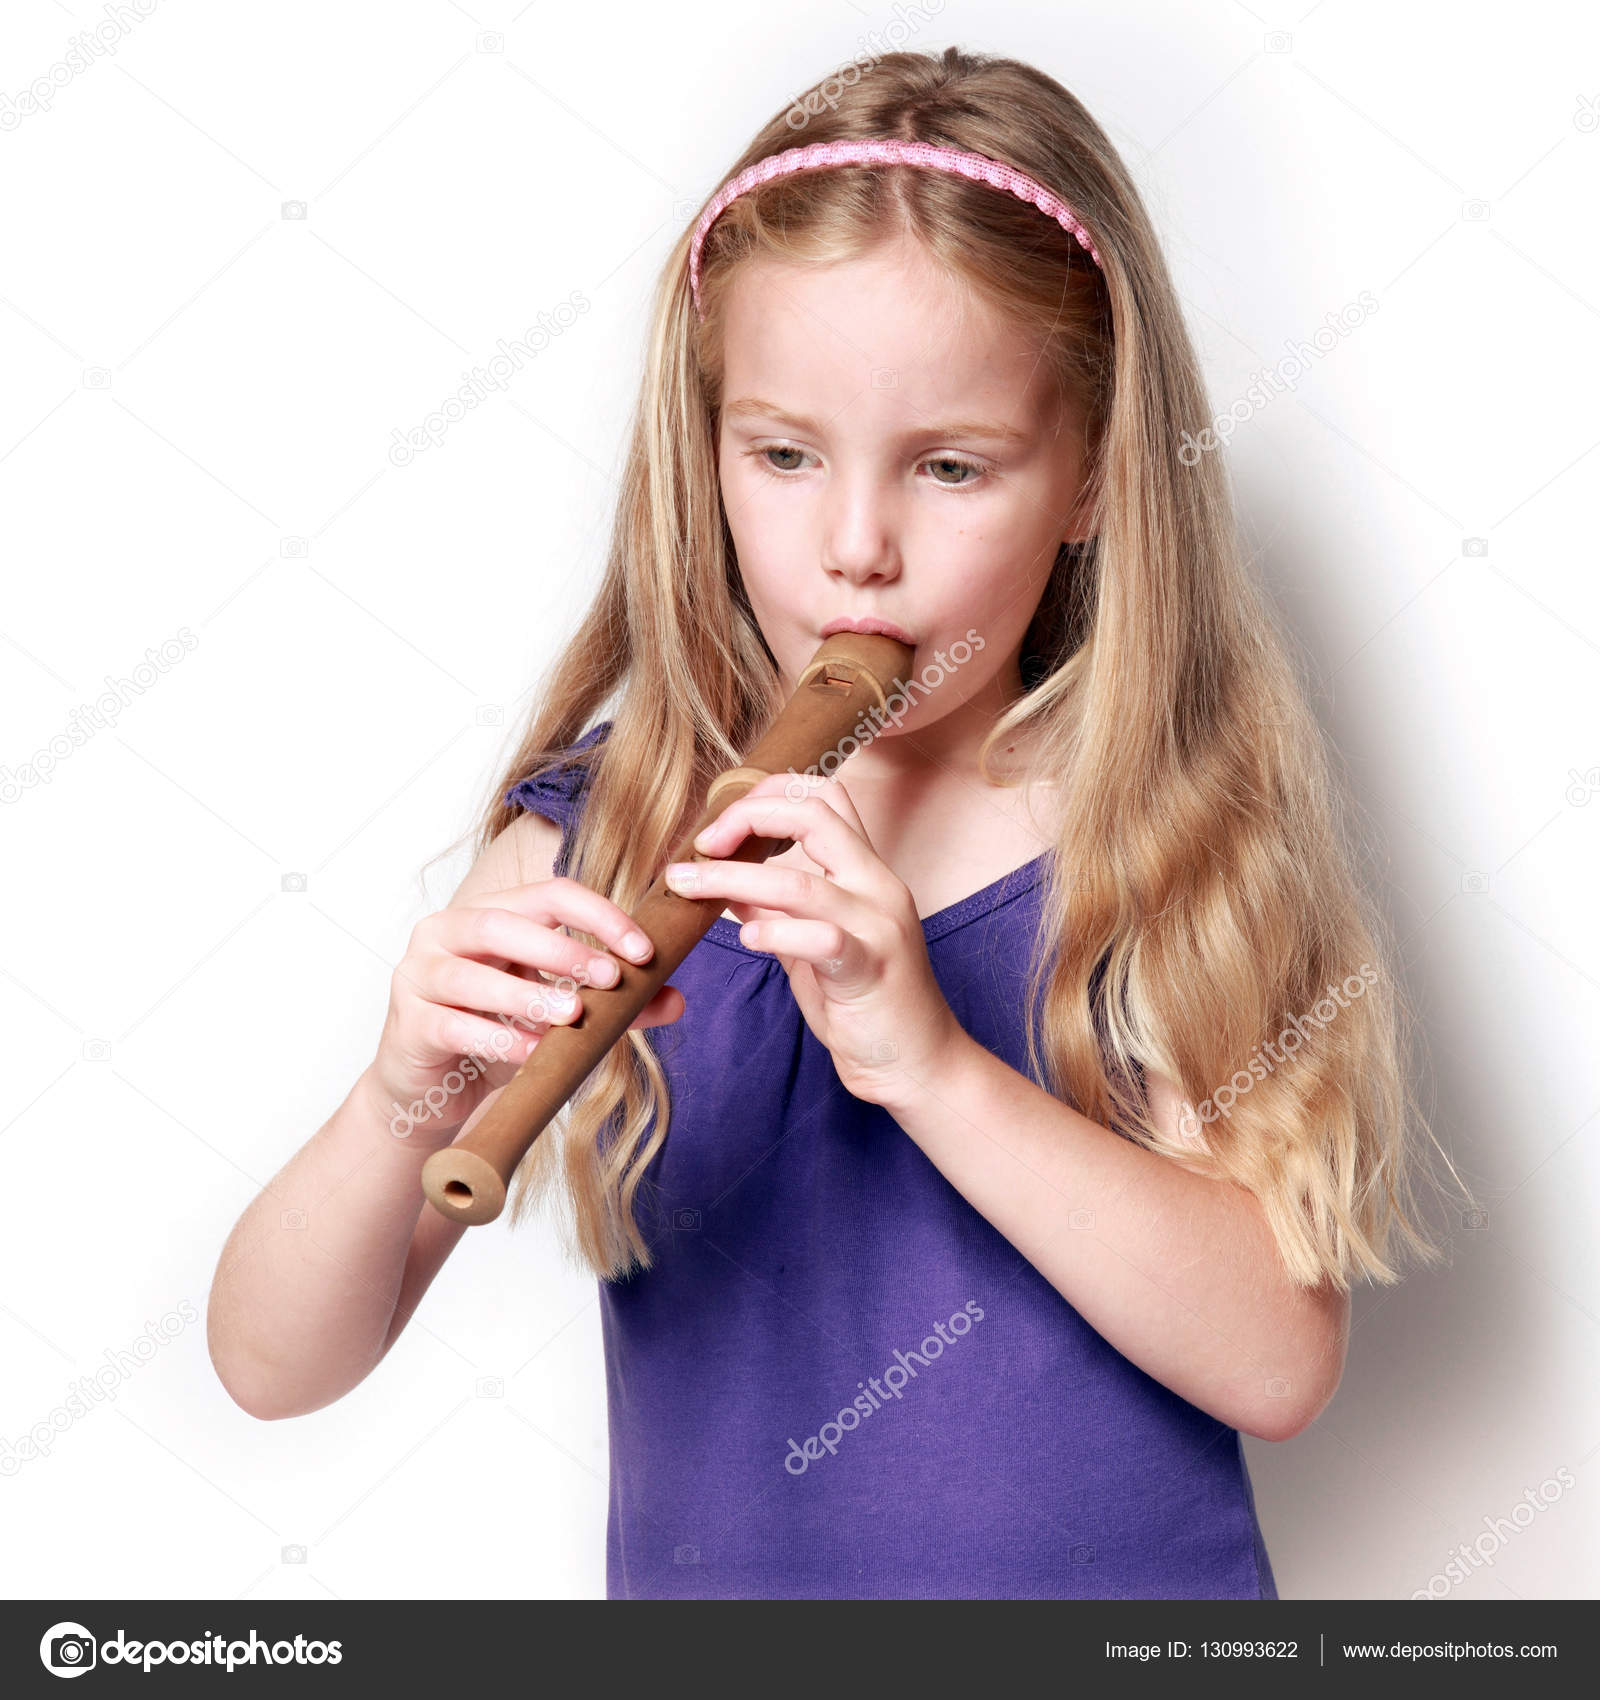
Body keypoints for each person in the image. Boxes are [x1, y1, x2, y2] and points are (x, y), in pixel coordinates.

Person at [210, 45, 1469, 1600]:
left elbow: (1281, 1362)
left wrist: (929, 1066)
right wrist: (402, 1102)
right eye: (786, 455)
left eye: (949, 467)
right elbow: (272, 1366)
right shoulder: (603, 837)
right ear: (710, 446)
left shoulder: (1167, 832)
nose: (854, 552)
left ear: (1089, 476)